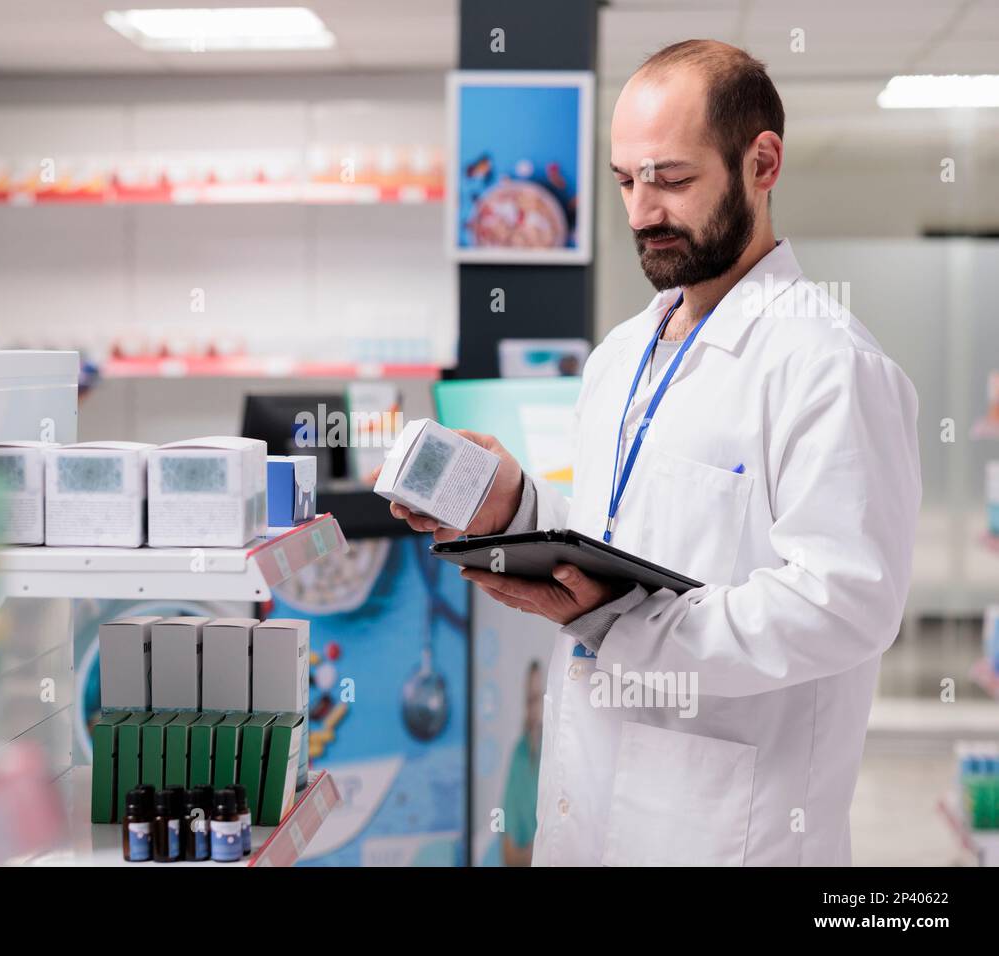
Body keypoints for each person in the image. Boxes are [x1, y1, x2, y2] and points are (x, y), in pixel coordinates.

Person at [387, 40, 921, 866]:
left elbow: (847, 604)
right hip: (593, 804)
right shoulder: (622, 353)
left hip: (729, 829)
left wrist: (620, 620)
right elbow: (622, 535)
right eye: (624, 181)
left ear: (762, 162)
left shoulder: (829, 364)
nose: (641, 211)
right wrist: (520, 508)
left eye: (671, 179)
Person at [500, 659, 543, 867]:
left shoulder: (557, 750)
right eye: (529, 700)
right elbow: (503, 821)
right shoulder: (519, 753)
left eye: (537, 698)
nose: (533, 707)